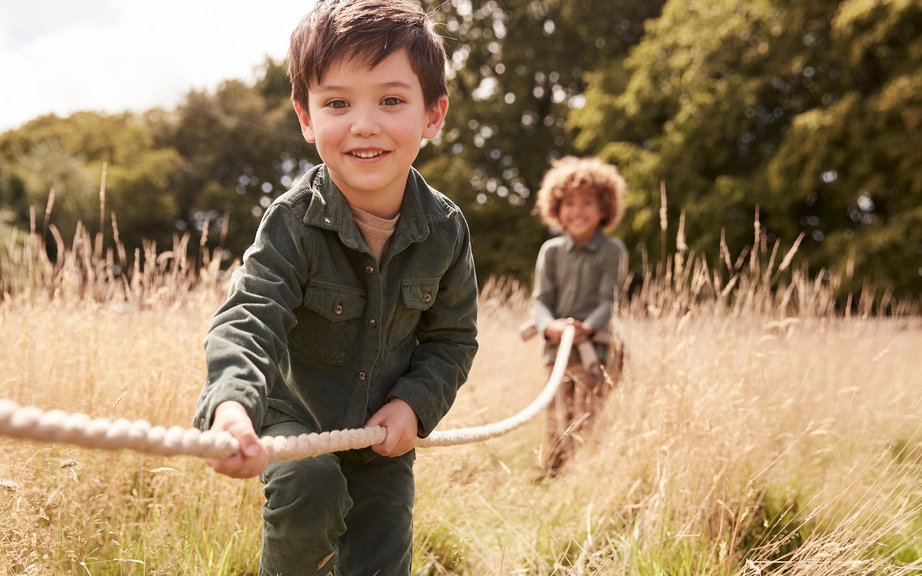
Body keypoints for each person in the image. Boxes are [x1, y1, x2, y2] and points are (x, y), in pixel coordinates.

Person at [192, 1, 479, 574]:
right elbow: (250, 315)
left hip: (381, 436)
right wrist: (231, 405)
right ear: (306, 116)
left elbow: (452, 340)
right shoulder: (291, 222)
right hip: (292, 416)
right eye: (338, 103)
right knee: (311, 482)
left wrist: (413, 406)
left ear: (433, 114)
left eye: (391, 100)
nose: (364, 123)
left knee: (382, 550)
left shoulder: (445, 230)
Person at [528, 156, 627, 475]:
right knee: (556, 413)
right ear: (556, 208)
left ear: (604, 209)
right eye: (569, 203)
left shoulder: (612, 251)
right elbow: (540, 300)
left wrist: (587, 327)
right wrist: (550, 326)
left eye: (588, 202)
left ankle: (583, 475)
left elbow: (608, 300)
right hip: (556, 349)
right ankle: (552, 473)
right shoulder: (551, 252)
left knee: (586, 413)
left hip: (593, 350)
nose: (578, 210)